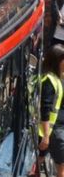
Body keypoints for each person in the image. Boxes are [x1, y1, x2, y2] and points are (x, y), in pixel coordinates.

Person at [40, 44, 64, 176]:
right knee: (61, 167)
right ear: (57, 61)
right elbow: (45, 109)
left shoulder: (57, 78)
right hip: (50, 131)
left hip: (53, 130)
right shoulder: (49, 81)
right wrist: (46, 136)